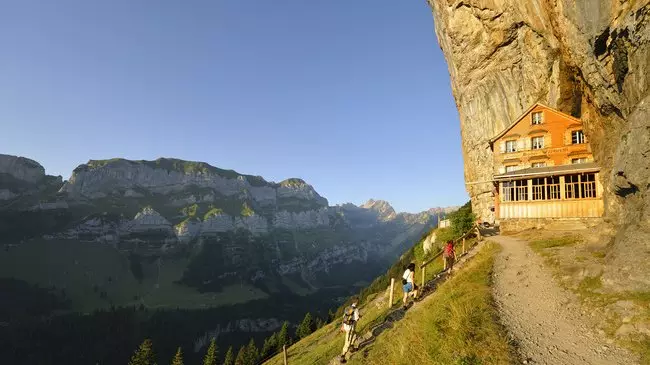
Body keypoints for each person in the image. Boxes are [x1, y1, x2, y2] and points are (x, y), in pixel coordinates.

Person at [340, 297, 360, 363]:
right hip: (350, 328)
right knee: (347, 342)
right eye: (358, 302)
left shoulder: (347, 308)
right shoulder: (356, 309)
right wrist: (359, 317)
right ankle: (342, 357)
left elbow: (344, 318)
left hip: (346, 326)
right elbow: (357, 319)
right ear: (356, 302)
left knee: (355, 336)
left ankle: (352, 348)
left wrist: (342, 326)